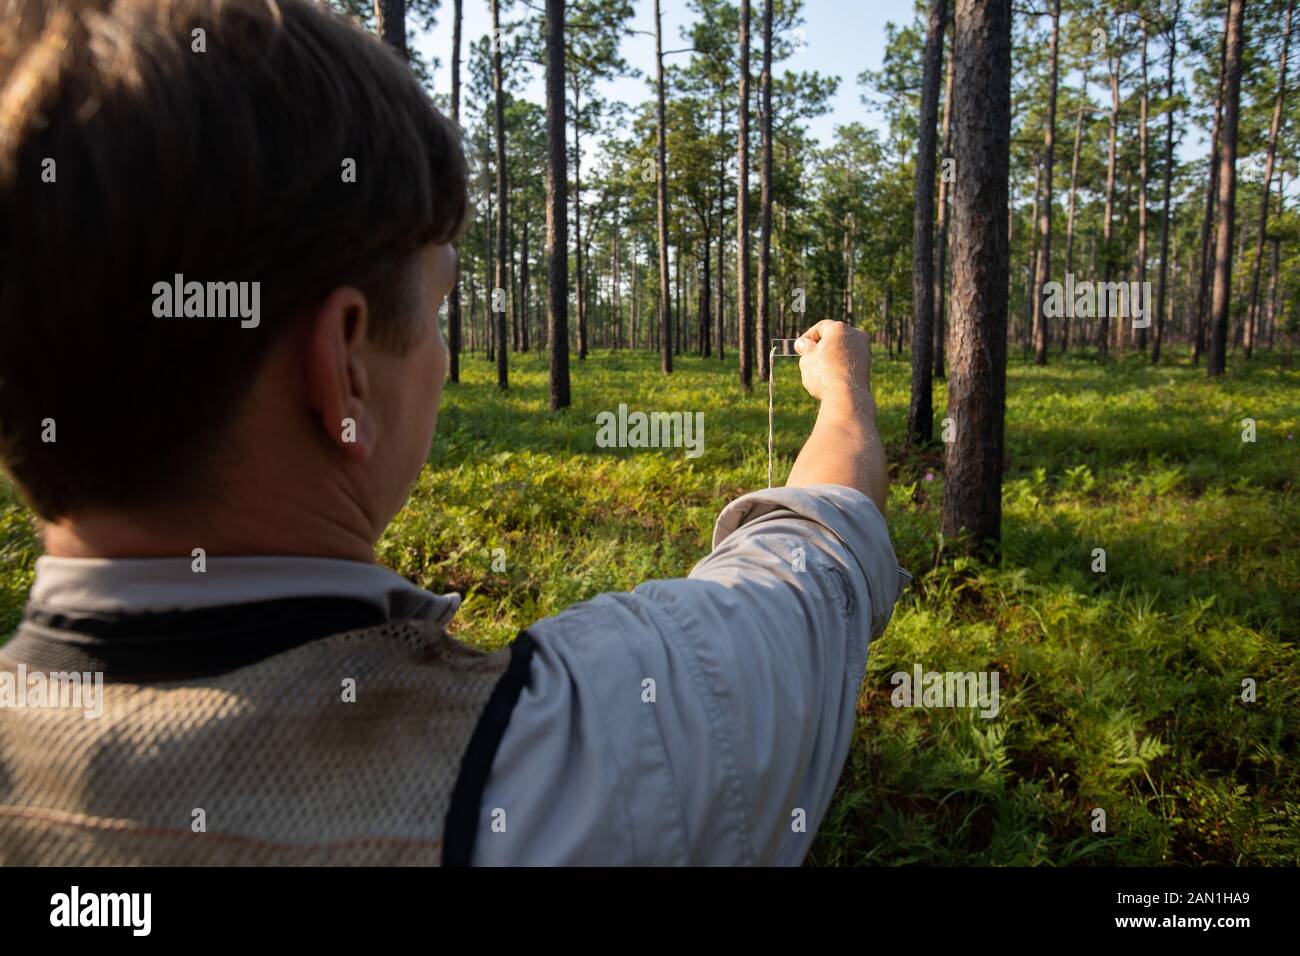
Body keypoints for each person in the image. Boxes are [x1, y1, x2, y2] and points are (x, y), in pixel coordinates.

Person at [0, 0, 899, 865]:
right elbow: (811, 557)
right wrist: (842, 392)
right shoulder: (577, 758)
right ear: (343, 368)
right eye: (435, 313)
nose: (437, 359)